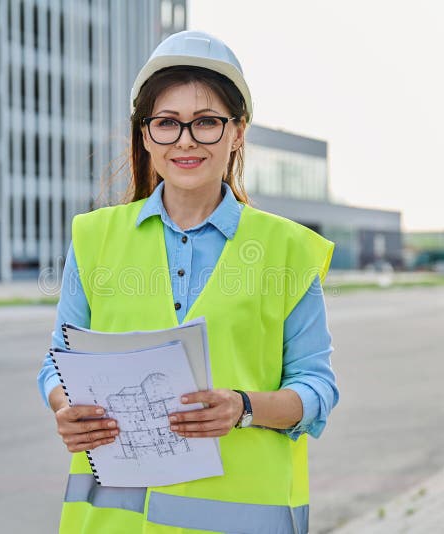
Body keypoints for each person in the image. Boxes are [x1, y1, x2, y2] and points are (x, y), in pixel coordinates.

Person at [37, 30, 339, 534]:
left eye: (206, 123)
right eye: (167, 123)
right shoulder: (93, 239)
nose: (185, 141)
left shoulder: (287, 250)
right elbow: (57, 361)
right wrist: (65, 407)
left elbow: (317, 387)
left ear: (238, 132)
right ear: (145, 133)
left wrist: (244, 408)